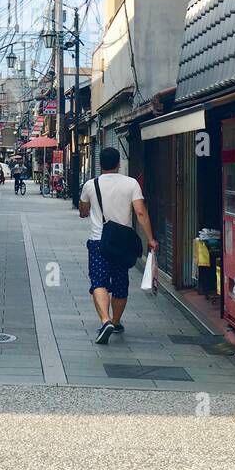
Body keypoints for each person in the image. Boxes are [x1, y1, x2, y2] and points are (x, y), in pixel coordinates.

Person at [78, 147, 158, 345]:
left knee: (99, 281)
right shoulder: (131, 183)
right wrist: (150, 238)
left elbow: (83, 211)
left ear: (100, 163)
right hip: (123, 243)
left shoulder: (91, 184)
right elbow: (140, 212)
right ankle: (116, 320)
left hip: (98, 241)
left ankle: (105, 321)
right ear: (118, 163)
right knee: (120, 283)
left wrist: (89, 208)